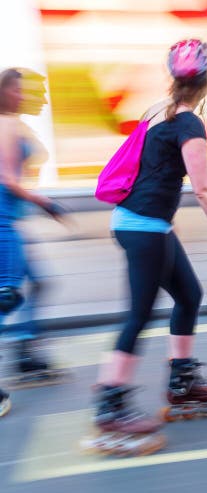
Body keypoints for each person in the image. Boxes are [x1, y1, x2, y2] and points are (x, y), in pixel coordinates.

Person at [83, 40, 207, 455]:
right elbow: (204, 190)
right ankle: (110, 403)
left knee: (189, 295)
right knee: (139, 315)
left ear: (173, 79)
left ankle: (182, 381)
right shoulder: (189, 123)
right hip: (144, 227)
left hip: (145, 224)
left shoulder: (158, 111)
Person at [0, 68, 67, 417]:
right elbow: (9, 180)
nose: (23, 95)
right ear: (5, 91)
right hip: (3, 224)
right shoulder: (6, 124)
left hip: (10, 222)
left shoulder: (14, 123)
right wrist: (46, 204)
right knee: (6, 297)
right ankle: (23, 350)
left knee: (37, 283)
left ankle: (25, 349)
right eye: (18, 89)